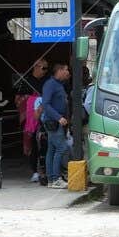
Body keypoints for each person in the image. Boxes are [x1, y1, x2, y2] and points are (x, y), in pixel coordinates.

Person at [14, 57, 51, 184]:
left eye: (47, 68)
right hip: (31, 120)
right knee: (33, 145)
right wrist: (33, 100)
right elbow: (18, 99)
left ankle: (46, 171)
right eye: (43, 68)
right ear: (36, 67)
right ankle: (34, 171)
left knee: (46, 144)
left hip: (46, 118)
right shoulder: (26, 81)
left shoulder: (47, 81)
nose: (45, 71)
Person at [40, 61, 72, 189]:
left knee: (51, 150)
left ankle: (51, 180)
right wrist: (59, 118)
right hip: (53, 122)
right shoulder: (50, 84)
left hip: (55, 121)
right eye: (66, 70)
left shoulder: (58, 84)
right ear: (59, 71)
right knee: (62, 148)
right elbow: (46, 104)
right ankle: (56, 179)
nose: (68, 73)